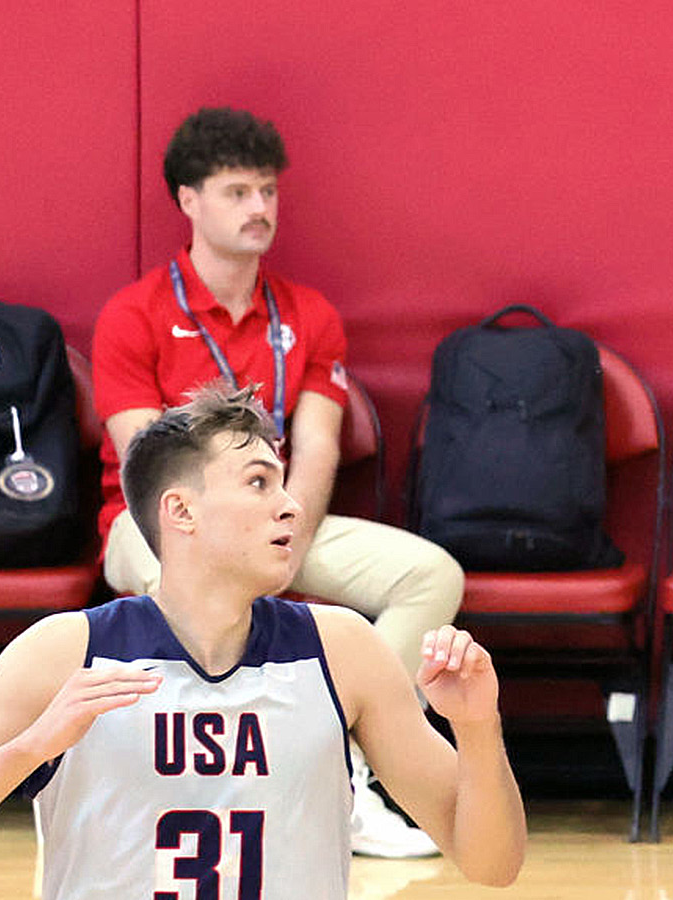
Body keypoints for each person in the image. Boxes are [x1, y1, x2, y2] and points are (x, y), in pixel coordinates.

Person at [0, 385, 526, 898]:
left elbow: (493, 865)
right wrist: (31, 748)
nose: (290, 506)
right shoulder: (65, 652)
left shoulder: (342, 650)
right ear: (180, 511)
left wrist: (476, 727)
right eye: (259, 483)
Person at [91, 106, 464, 857]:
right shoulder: (134, 314)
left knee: (430, 574)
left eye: (267, 191)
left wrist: (282, 536)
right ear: (188, 201)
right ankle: (191, 784)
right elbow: (146, 464)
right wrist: (232, 543)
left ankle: (342, 771)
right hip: (164, 523)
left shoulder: (309, 315)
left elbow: (318, 447)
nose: (259, 208)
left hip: (278, 514)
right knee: (177, 568)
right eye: (236, 192)